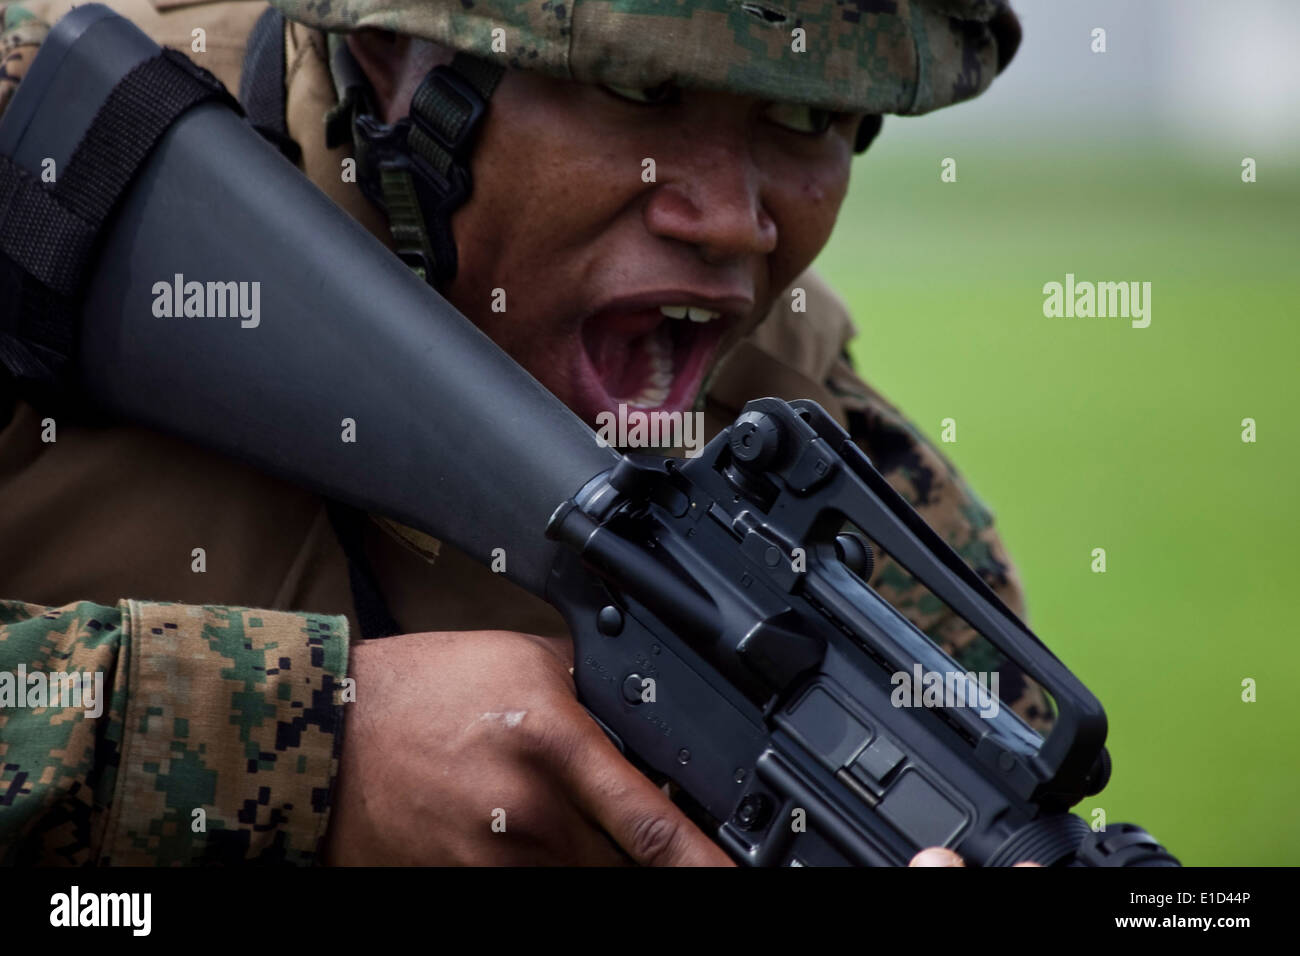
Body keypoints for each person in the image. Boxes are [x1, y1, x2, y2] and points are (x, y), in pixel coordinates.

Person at [0, 0, 1044, 865]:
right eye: (639, 91)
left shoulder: (853, 521)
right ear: (393, 56)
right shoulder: (46, 167)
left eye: (805, 115)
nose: (731, 219)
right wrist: (313, 743)